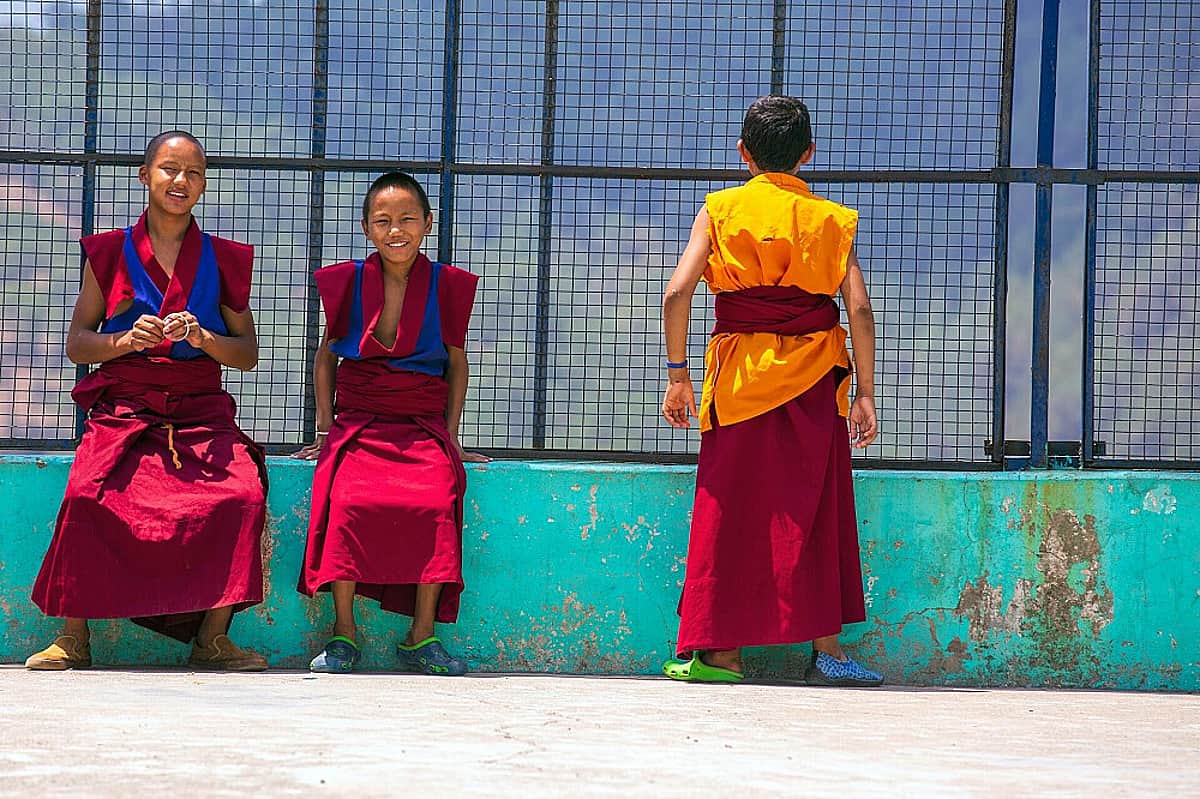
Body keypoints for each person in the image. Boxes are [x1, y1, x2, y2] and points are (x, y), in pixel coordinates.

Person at [659, 96, 883, 685]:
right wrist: (865, 392)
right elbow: (859, 309)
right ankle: (829, 653)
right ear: (808, 154)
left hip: (738, 381)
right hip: (815, 380)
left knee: (728, 512)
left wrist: (679, 376)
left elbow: (677, 293)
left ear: (743, 153)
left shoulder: (721, 209)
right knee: (818, 510)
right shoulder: (832, 220)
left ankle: (722, 656)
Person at [27, 131, 269, 671]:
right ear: (145, 176)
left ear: (203, 185)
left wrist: (203, 337)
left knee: (244, 495)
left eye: (193, 173)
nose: (181, 180)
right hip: (126, 407)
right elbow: (78, 343)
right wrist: (123, 341)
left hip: (198, 410)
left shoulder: (223, 260)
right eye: (169, 169)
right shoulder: (111, 252)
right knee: (85, 494)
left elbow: (247, 354)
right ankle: (73, 636)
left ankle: (212, 639)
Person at [294, 171, 484, 675]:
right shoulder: (349, 281)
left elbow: (456, 362)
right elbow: (327, 357)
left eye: (407, 219)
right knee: (347, 503)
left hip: (421, 424)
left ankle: (421, 635)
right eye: (383, 221)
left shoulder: (447, 285)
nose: (395, 230)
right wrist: (325, 429)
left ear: (427, 223)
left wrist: (450, 436)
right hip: (359, 422)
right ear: (366, 228)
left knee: (437, 502)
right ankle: (344, 632)